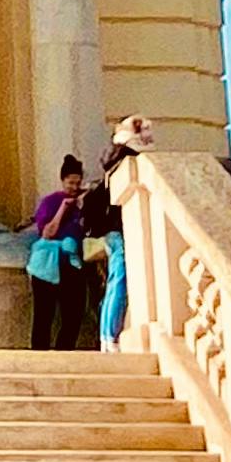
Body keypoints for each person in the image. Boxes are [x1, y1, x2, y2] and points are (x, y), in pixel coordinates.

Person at [97, 116, 154, 347]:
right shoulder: (123, 154)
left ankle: (107, 336)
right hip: (117, 227)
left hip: (115, 228)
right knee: (119, 280)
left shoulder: (118, 154)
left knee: (117, 280)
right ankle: (109, 336)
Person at [25, 155, 89, 349]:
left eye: (77, 183)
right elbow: (48, 232)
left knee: (74, 313)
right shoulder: (50, 202)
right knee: (44, 313)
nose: (74, 187)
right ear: (63, 181)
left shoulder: (82, 203)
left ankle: (65, 350)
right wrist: (63, 209)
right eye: (70, 183)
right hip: (47, 264)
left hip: (72, 263)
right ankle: (39, 353)